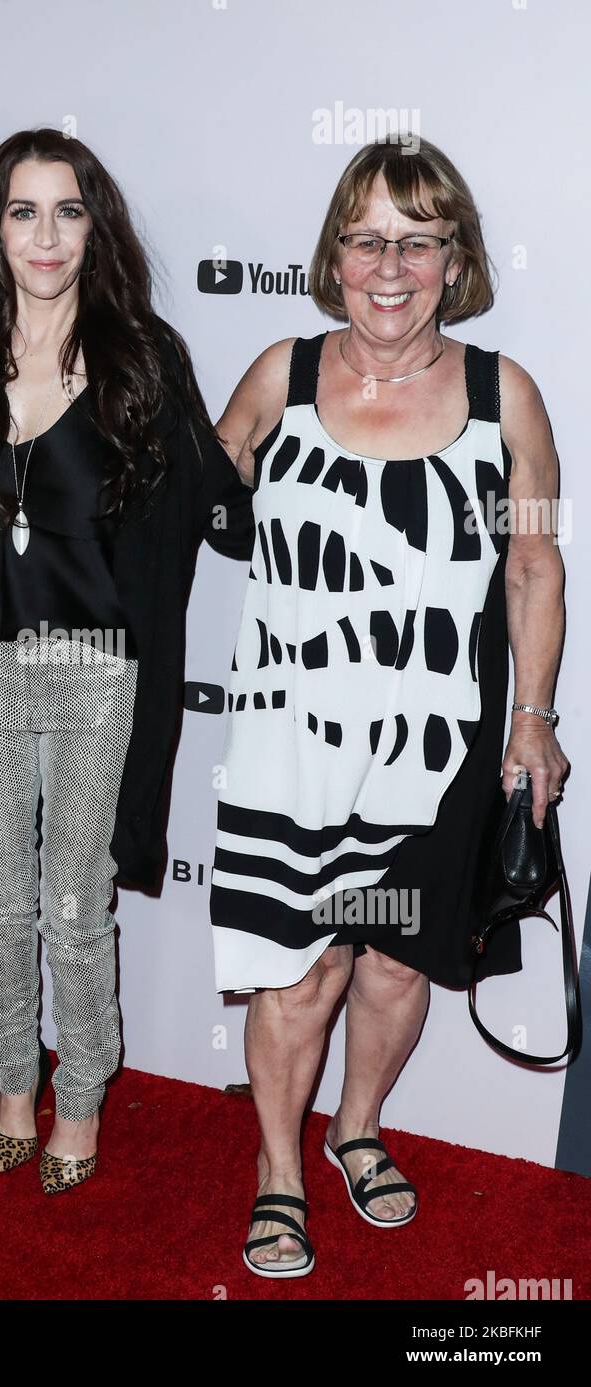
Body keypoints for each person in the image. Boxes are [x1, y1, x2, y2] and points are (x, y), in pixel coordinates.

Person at [210, 137, 568, 1276]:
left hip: (429, 751)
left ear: (453, 256)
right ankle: (277, 1169)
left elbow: (533, 569)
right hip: (284, 745)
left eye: (417, 240)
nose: (389, 265)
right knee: (294, 970)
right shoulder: (279, 369)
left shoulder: (498, 393)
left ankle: (352, 1127)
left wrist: (532, 719)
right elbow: (195, 494)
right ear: (333, 252)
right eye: (366, 238)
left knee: (392, 963)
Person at [0, 128, 254, 1193]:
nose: (45, 235)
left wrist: (279, 404)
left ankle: (82, 1090)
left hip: (98, 665)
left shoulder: (140, 355)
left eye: (68, 211)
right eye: (22, 211)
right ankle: (13, 1073)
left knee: (74, 899)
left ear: (94, 227)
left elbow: (215, 506)